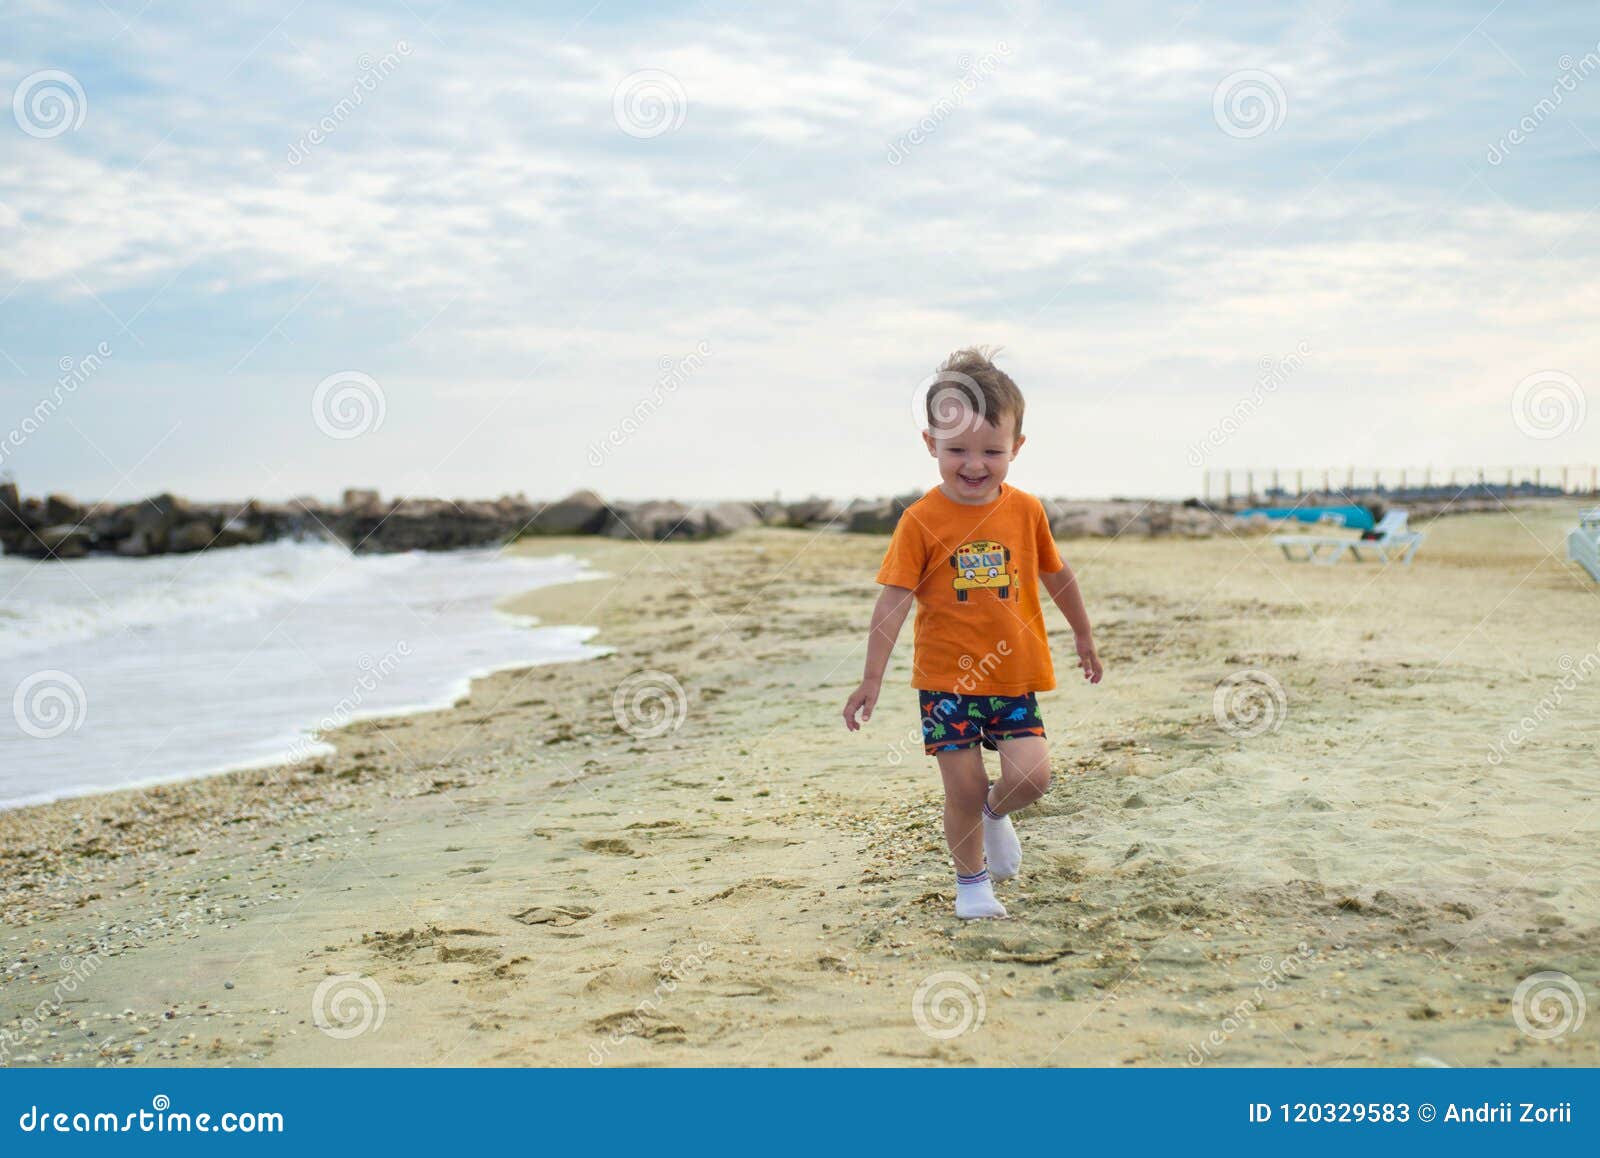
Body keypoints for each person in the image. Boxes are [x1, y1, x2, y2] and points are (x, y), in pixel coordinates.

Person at [842, 346, 1103, 920]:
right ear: (931, 444)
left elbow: (1056, 574)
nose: (975, 464)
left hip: (1013, 677)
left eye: (992, 450)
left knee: (1032, 777)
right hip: (946, 683)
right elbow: (893, 602)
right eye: (957, 449)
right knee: (960, 789)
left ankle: (995, 814)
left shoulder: (1027, 510)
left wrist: (1083, 635)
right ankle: (972, 884)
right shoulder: (920, 520)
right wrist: (870, 679)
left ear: (1017, 447)